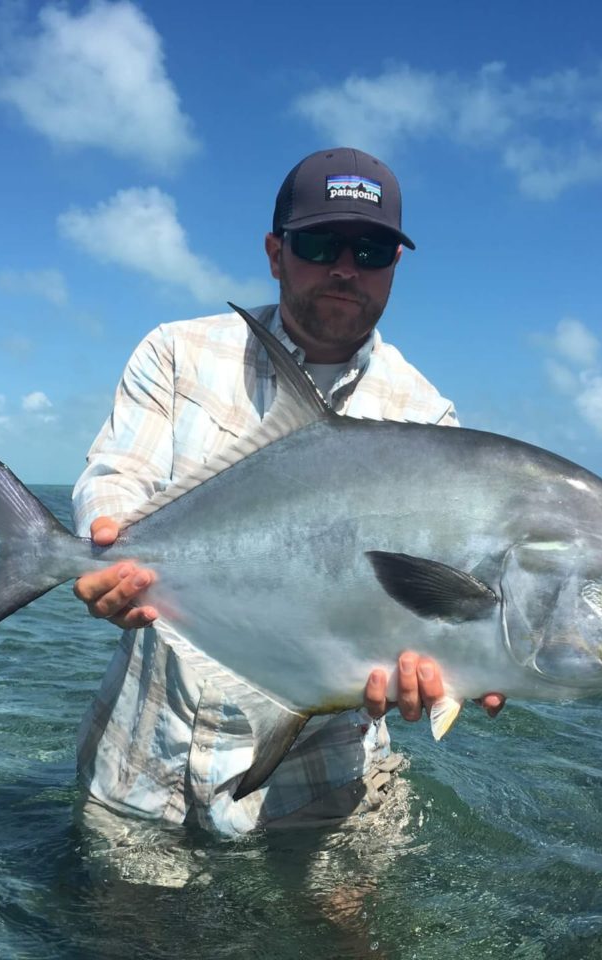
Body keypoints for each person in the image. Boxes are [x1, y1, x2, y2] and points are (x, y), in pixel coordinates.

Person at [71, 147, 504, 836]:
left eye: (372, 250)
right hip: (143, 762)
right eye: (318, 243)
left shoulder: (427, 419)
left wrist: (470, 662)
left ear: (395, 267)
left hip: (326, 785)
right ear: (275, 253)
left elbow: (449, 605)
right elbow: (118, 473)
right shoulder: (178, 355)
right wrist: (109, 542)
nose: (345, 267)